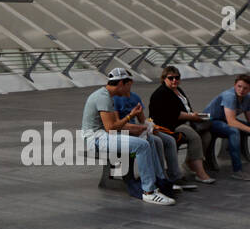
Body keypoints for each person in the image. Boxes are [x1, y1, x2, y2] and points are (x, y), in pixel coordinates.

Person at [82, 67, 175, 205]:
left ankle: (159, 181)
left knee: (148, 138)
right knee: (142, 145)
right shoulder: (103, 97)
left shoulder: (108, 96)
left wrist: (139, 128)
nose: (129, 90)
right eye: (129, 85)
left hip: (104, 135)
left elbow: (115, 125)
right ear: (121, 83)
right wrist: (131, 116)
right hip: (95, 139)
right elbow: (111, 127)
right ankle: (149, 191)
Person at [110, 75, 194, 190]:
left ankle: (174, 175)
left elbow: (142, 119)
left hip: (135, 129)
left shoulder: (135, 97)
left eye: (128, 84)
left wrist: (150, 126)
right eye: (124, 85)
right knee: (157, 141)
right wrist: (138, 126)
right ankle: (160, 177)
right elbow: (117, 124)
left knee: (169, 140)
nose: (126, 87)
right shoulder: (114, 99)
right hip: (124, 131)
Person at [203, 74, 250, 180]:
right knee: (234, 131)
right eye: (239, 86)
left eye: (245, 88)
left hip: (225, 120)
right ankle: (237, 170)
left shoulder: (247, 98)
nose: (241, 90)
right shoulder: (229, 96)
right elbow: (231, 122)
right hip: (211, 121)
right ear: (235, 85)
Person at [148, 66, 215, 183]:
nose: (174, 80)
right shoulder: (161, 93)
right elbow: (173, 114)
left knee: (207, 135)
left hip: (184, 122)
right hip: (169, 125)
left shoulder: (178, 90)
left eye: (177, 77)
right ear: (164, 78)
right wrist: (193, 117)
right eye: (171, 78)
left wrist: (196, 116)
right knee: (194, 136)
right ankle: (200, 173)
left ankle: (189, 163)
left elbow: (186, 109)